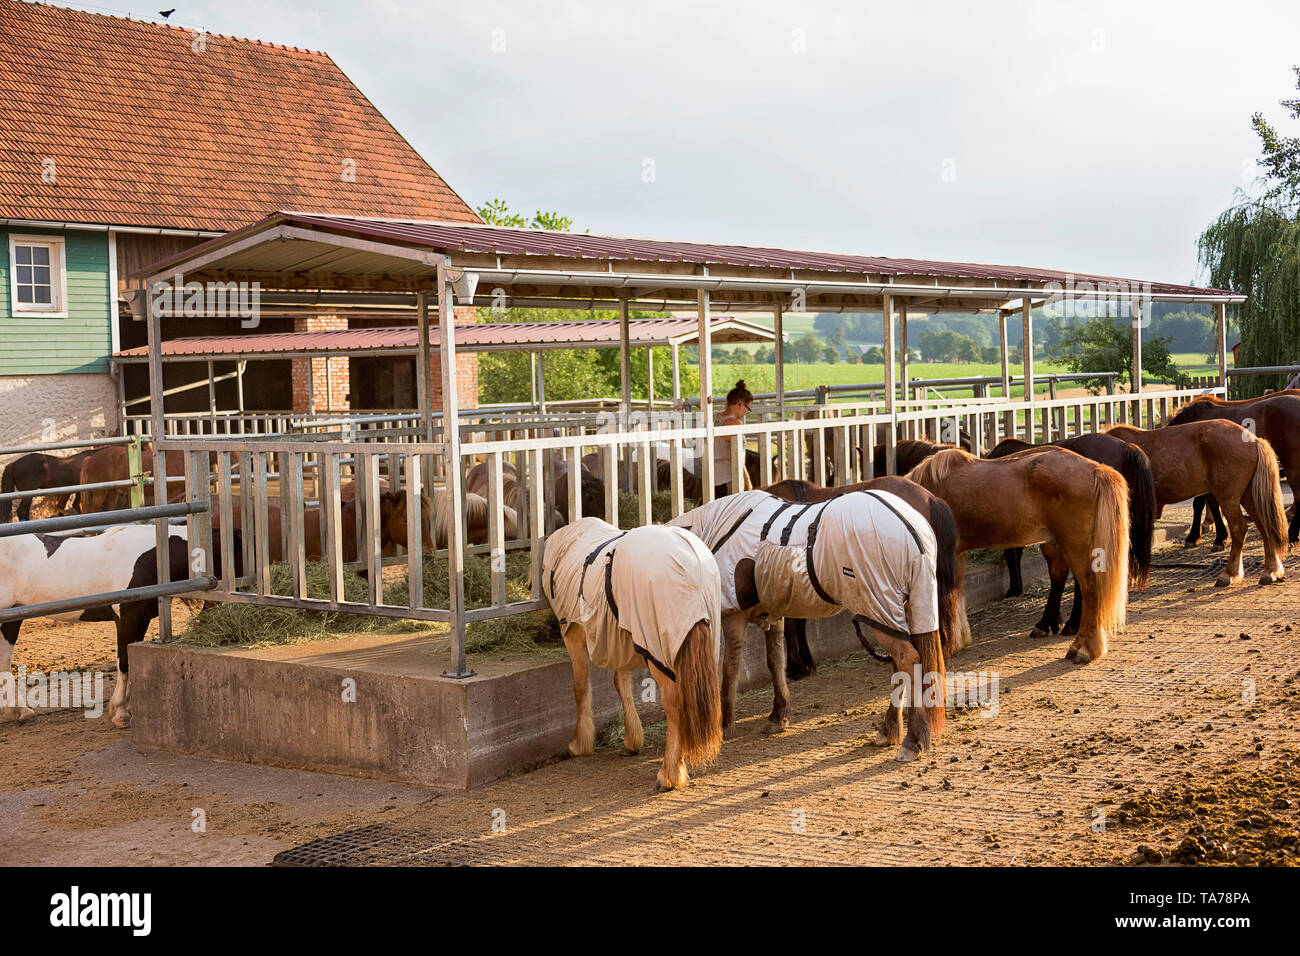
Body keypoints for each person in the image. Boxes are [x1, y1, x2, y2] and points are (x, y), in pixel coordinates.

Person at [712, 380, 754, 498]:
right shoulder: (734, 423)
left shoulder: (713, 418)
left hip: (711, 477)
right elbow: (737, 456)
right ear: (740, 404)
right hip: (728, 479)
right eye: (748, 408)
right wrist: (747, 480)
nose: (747, 412)